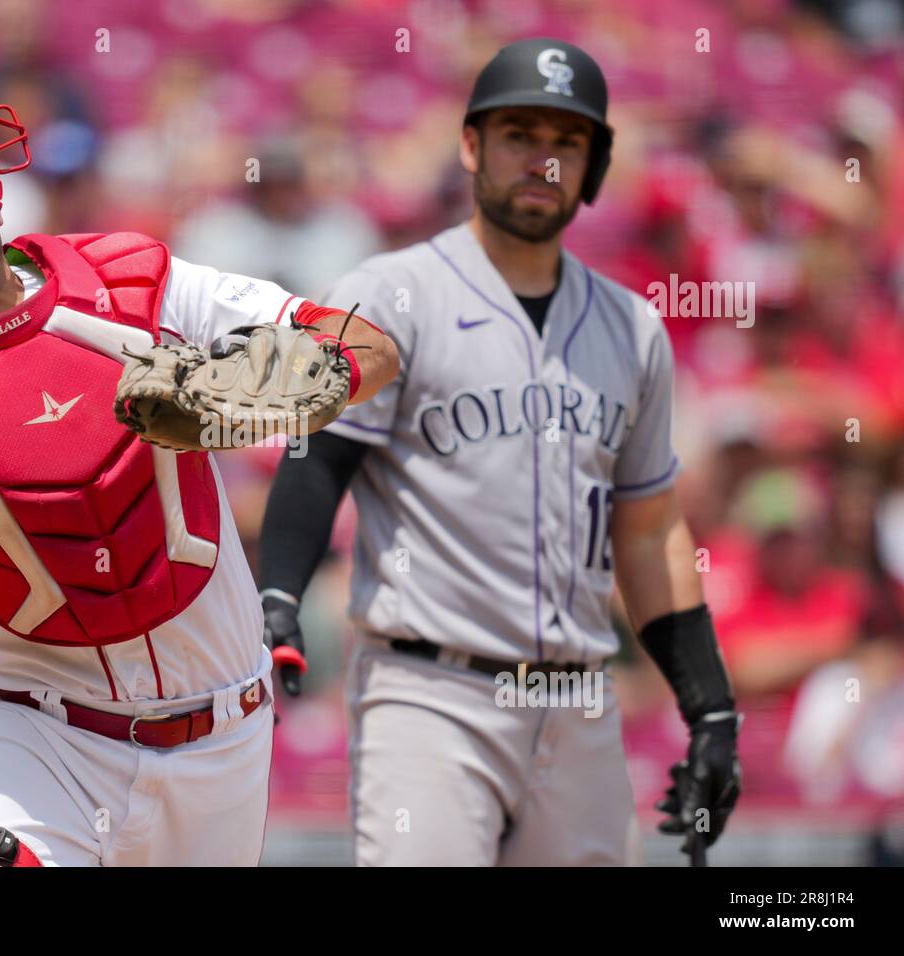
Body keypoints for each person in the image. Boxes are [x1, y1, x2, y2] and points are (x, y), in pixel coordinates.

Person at [0, 75, 397, 866]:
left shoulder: (130, 279)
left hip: (223, 738)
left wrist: (267, 400)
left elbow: (370, 345)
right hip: (33, 737)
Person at [258, 38, 741, 866]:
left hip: (580, 702)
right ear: (472, 145)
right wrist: (276, 599)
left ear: (594, 167)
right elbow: (320, 458)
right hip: (429, 693)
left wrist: (710, 708)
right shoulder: (388, 294)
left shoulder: (634, 329)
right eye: (520, 133)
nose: (542, 160)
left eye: (568, 142)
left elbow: (652, 525)